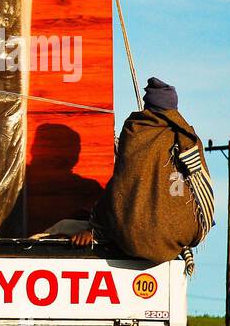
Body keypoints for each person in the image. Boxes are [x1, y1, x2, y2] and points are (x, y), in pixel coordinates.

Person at [72, 77, 214, 262]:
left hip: (133, 238)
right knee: (176, 193)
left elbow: (121, 187)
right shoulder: (189, 138)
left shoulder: (135, 132)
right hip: (179, 235)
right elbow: (200, 187)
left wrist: (95, 227)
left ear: (147, 106)